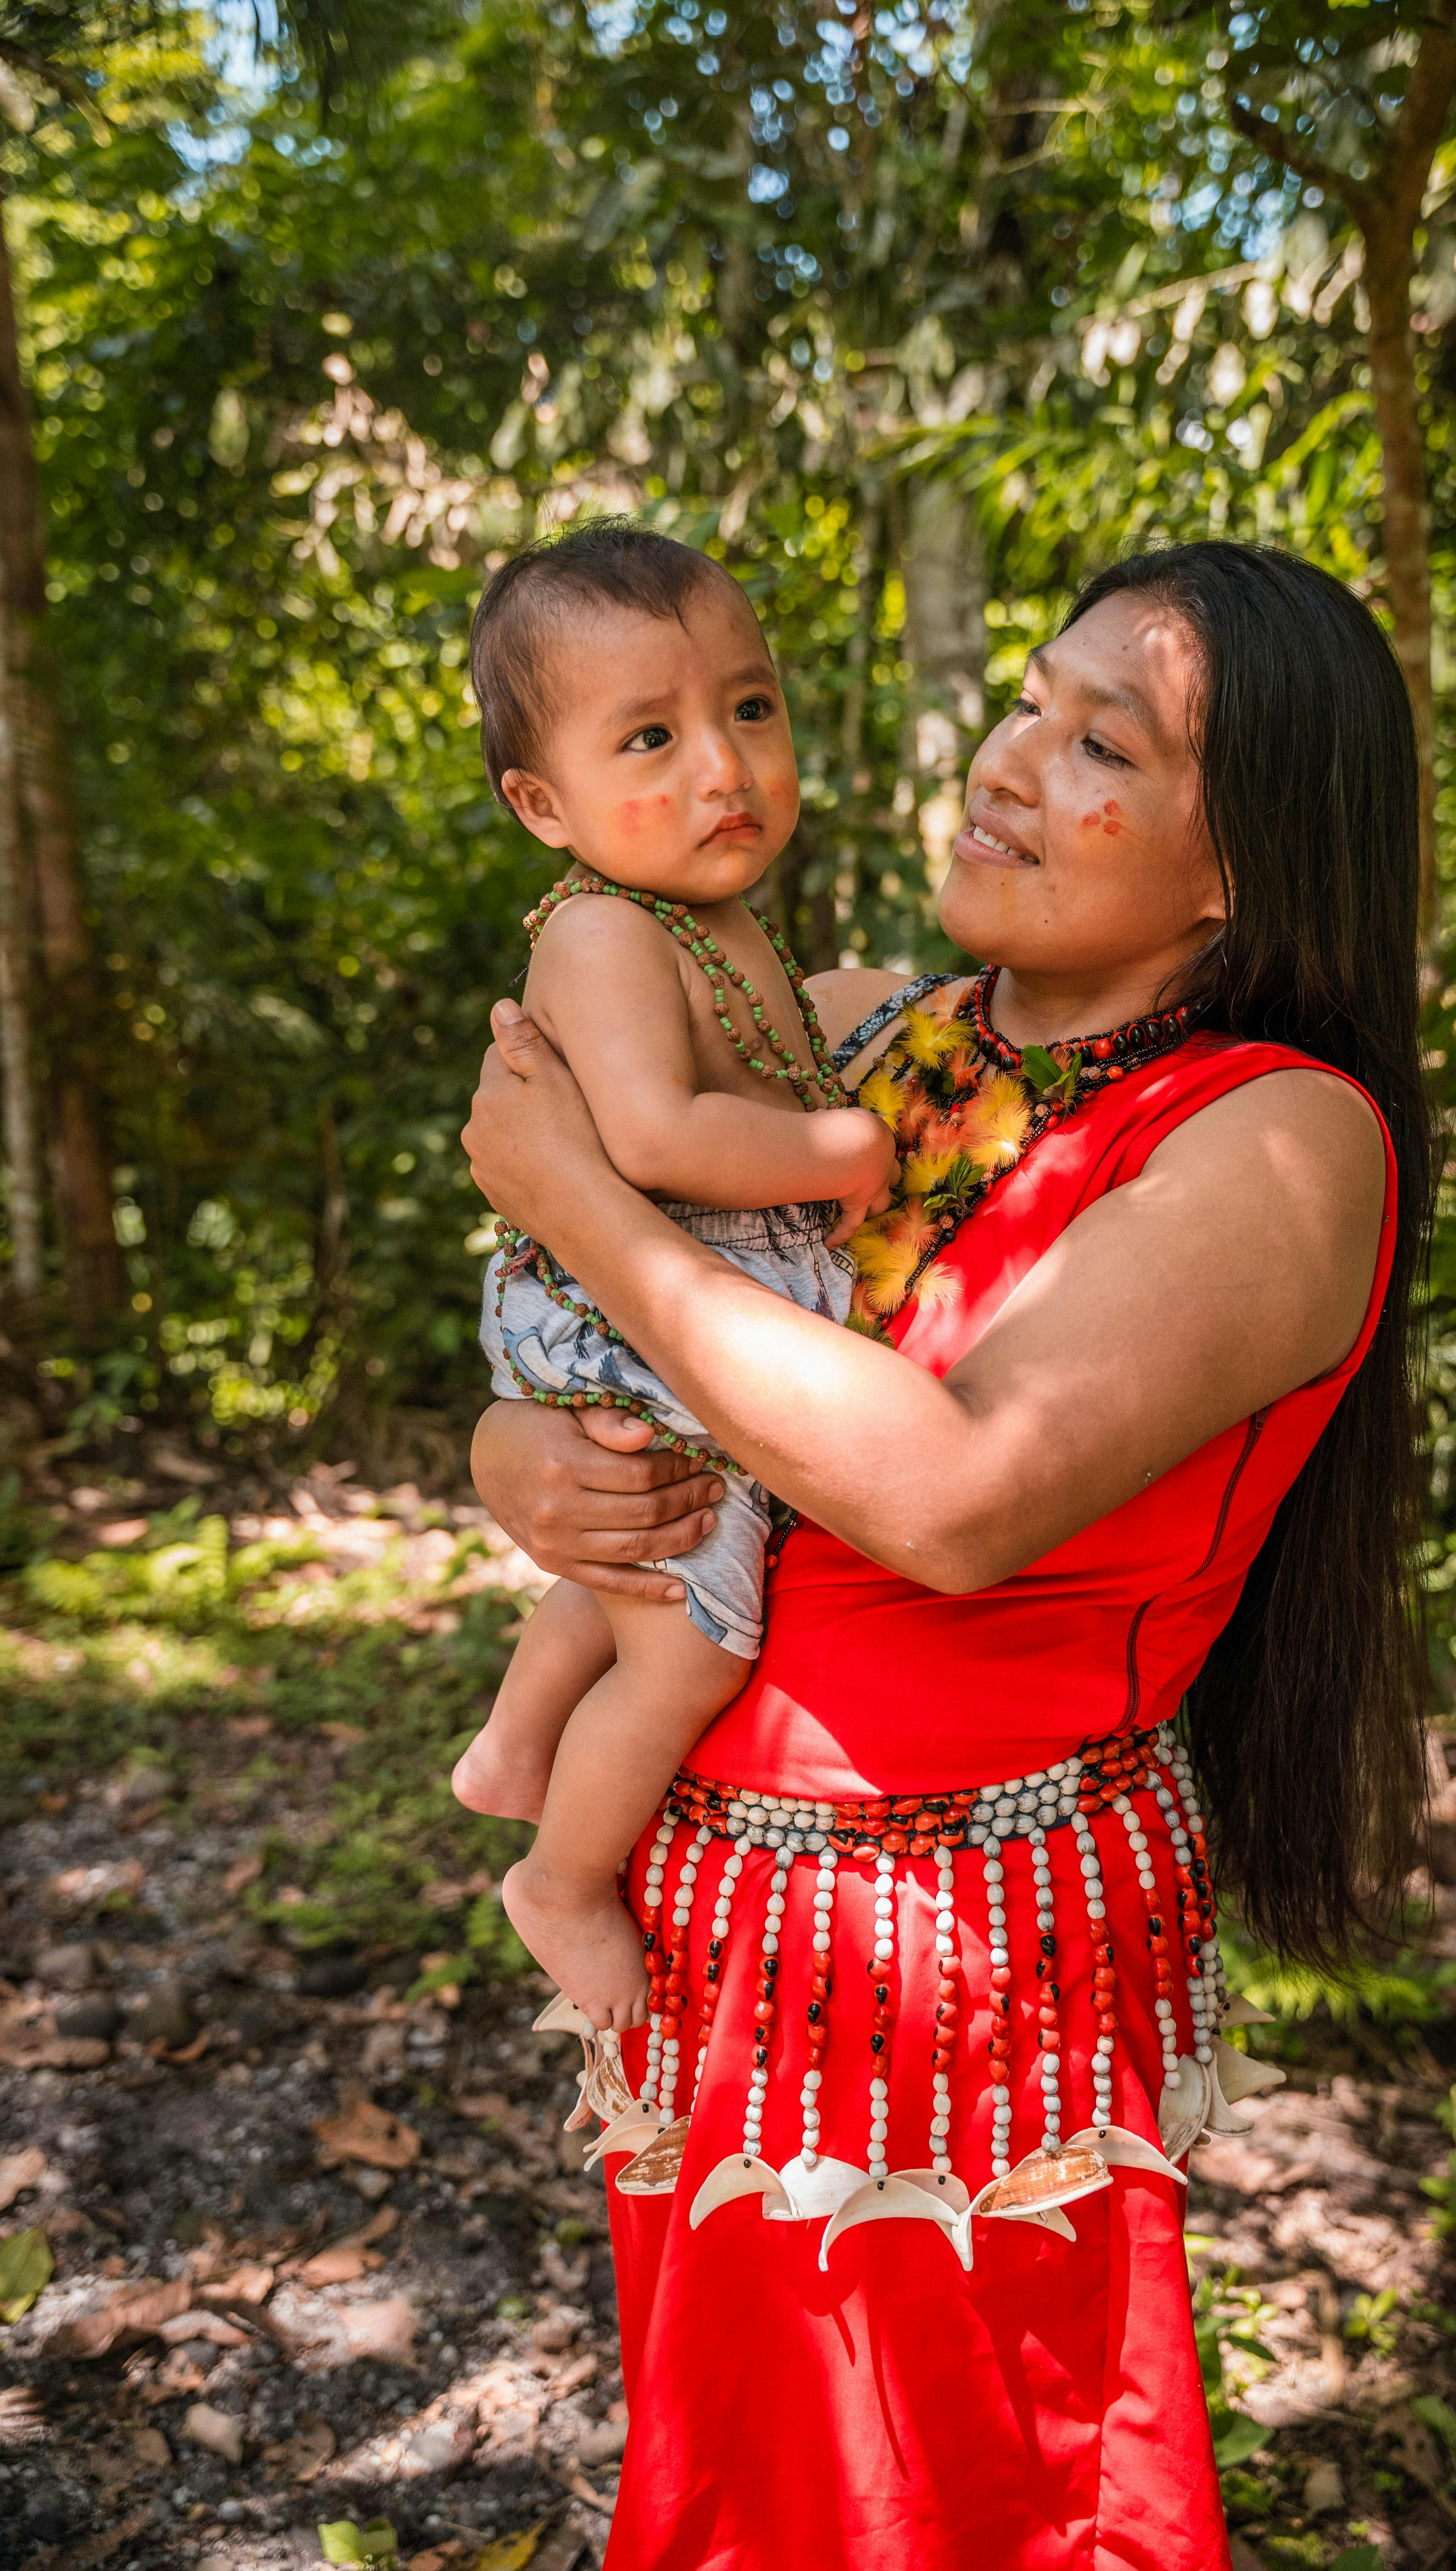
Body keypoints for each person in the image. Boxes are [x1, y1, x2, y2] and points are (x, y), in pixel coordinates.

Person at [461, 539, 1435, 2571]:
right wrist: (518, 1459)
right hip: (715, 1919)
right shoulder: (863, 1030)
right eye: (1027, 697)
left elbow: (952, 1493)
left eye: (1106, 744)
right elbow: (604, 1332)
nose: (1010, 761)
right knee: (747, 2489)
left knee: (961, 2501)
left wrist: (584, 1193)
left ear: (1240, 860)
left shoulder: (1270, 1138)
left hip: (961, 1968)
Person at [452, 522, 896, 2024]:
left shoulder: (709, 922)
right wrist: (850, 1153)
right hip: (631, 1304)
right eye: (652, 736)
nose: (725, 767)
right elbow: (650, 1134)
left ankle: (517, 1744)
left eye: (750, 709)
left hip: (676, 1302)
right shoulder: (597, 931)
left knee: (650, 1566)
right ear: (541, 802)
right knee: (696, 1644)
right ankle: (561, 1879)